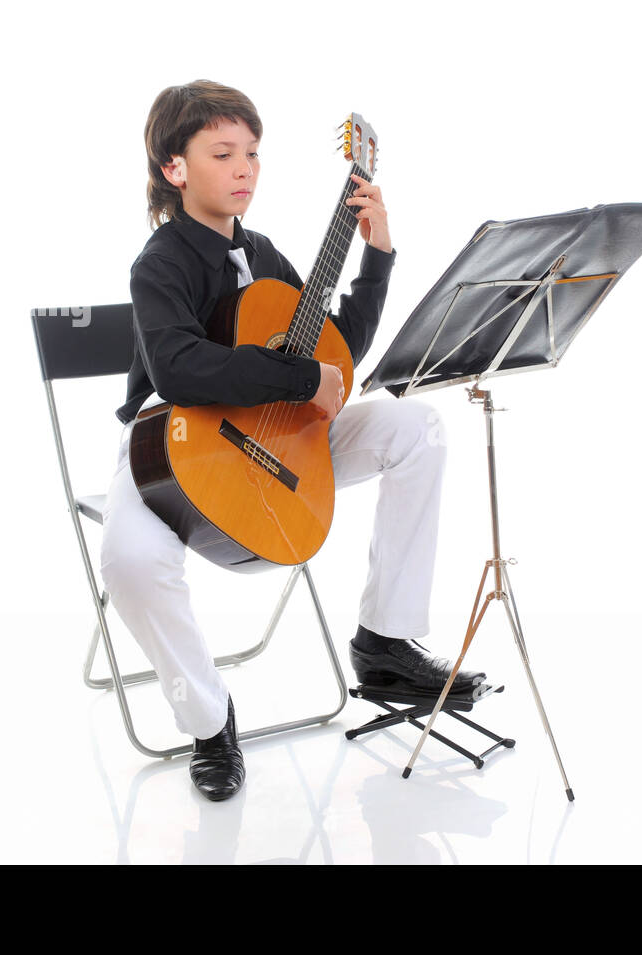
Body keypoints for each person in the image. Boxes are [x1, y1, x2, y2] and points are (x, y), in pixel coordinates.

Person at [100, 80, 484, 802]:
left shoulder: (266, 253)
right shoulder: (160, 265)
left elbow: (334, 357)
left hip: (275, 442)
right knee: (127, 559)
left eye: (252, 152)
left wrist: (378, 256)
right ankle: (210, 721)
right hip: (173, 449)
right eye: (222, 153)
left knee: (415, 427)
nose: (244, 168)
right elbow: (180, 368)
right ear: (174, 168)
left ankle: (386, 642)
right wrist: (297, 373)